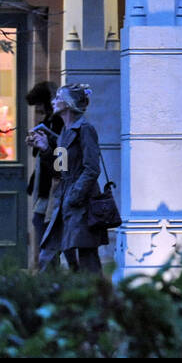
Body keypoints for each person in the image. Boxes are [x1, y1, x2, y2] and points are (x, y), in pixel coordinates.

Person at [40, 83, 107, 273]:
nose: (54, 101)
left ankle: (96, 297)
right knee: (48, 252)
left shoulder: (85, 129)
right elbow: (59, 170)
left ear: (68, 104)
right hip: (64, 201)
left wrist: (75, 195)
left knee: (87, 258)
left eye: (59, 98)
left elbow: (92, 169)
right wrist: (45, 149)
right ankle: (49, 295)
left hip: (81, 203)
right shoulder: (64, 132)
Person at [25, 81, 63, 269]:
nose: (38, 108)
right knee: (40, 222)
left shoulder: (57, 122)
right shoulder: (47, 122)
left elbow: (59, 156)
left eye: (40, 103)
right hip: (44, 183)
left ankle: (48, 268)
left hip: (52, 184)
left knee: (44, 225)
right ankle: (46, 267)